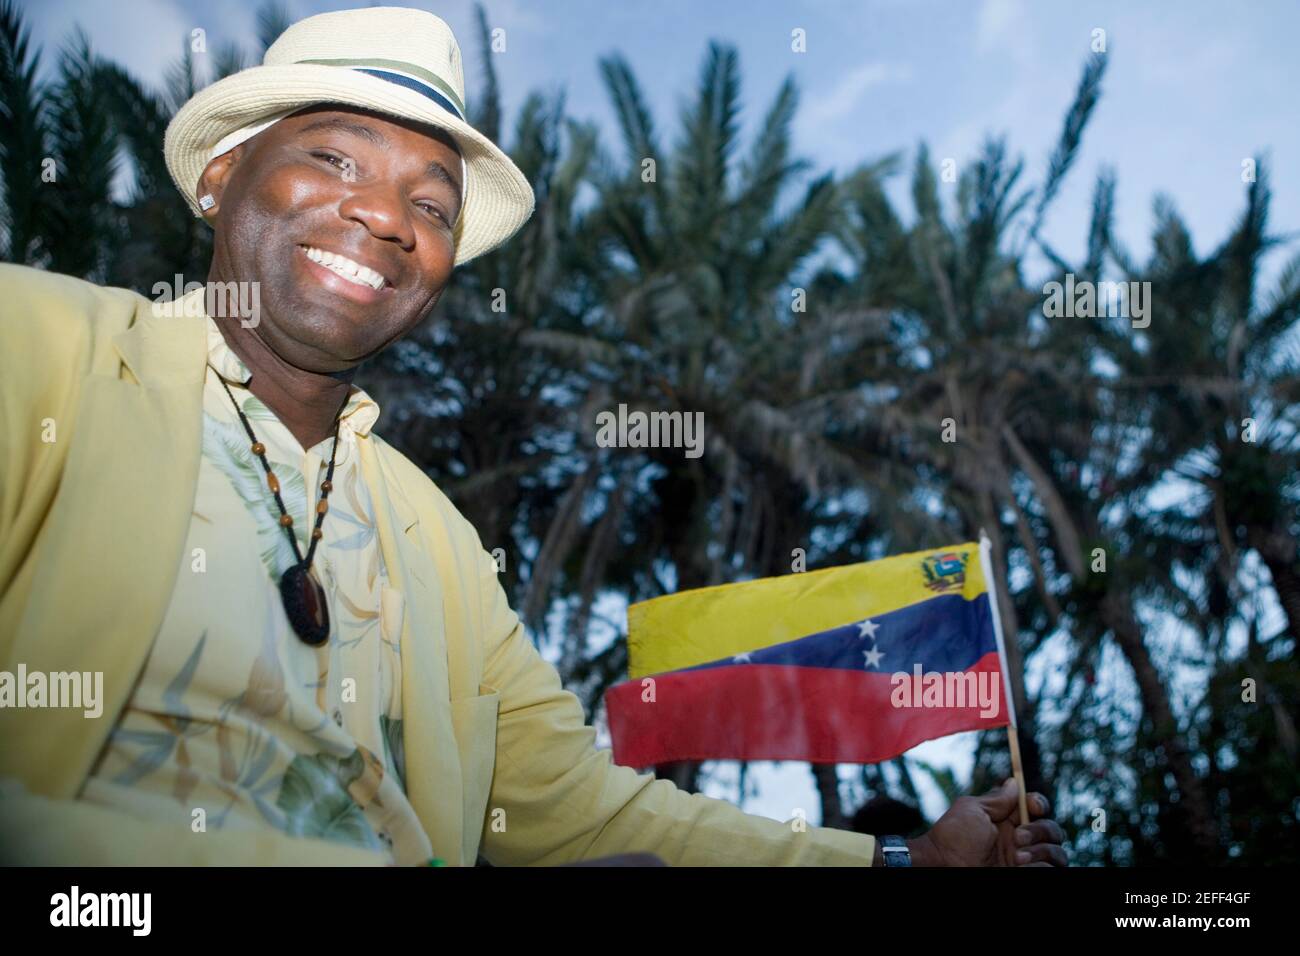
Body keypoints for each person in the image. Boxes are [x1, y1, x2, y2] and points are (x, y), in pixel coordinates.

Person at [0, 6, 1066, 868]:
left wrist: (904, 862)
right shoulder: (36, 348)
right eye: (332, 157)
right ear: (221, 175)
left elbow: (576, 810)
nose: (384, 217)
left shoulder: (440, 544)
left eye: (433, 205)